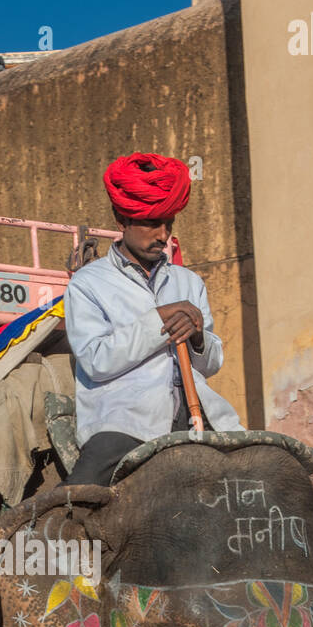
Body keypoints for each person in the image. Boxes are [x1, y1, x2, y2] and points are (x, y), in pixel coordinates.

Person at [63, 152, 243, 485]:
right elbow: (96, 361)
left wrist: (199, 336)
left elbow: (212, 363)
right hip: (125, 423)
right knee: (77, 500)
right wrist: (158, 320)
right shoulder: (87, 284)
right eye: (151, 222)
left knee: (267, 471)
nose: (162, 235)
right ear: (122, 221)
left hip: (199, 415)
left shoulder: (187, 282)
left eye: (168, 224)